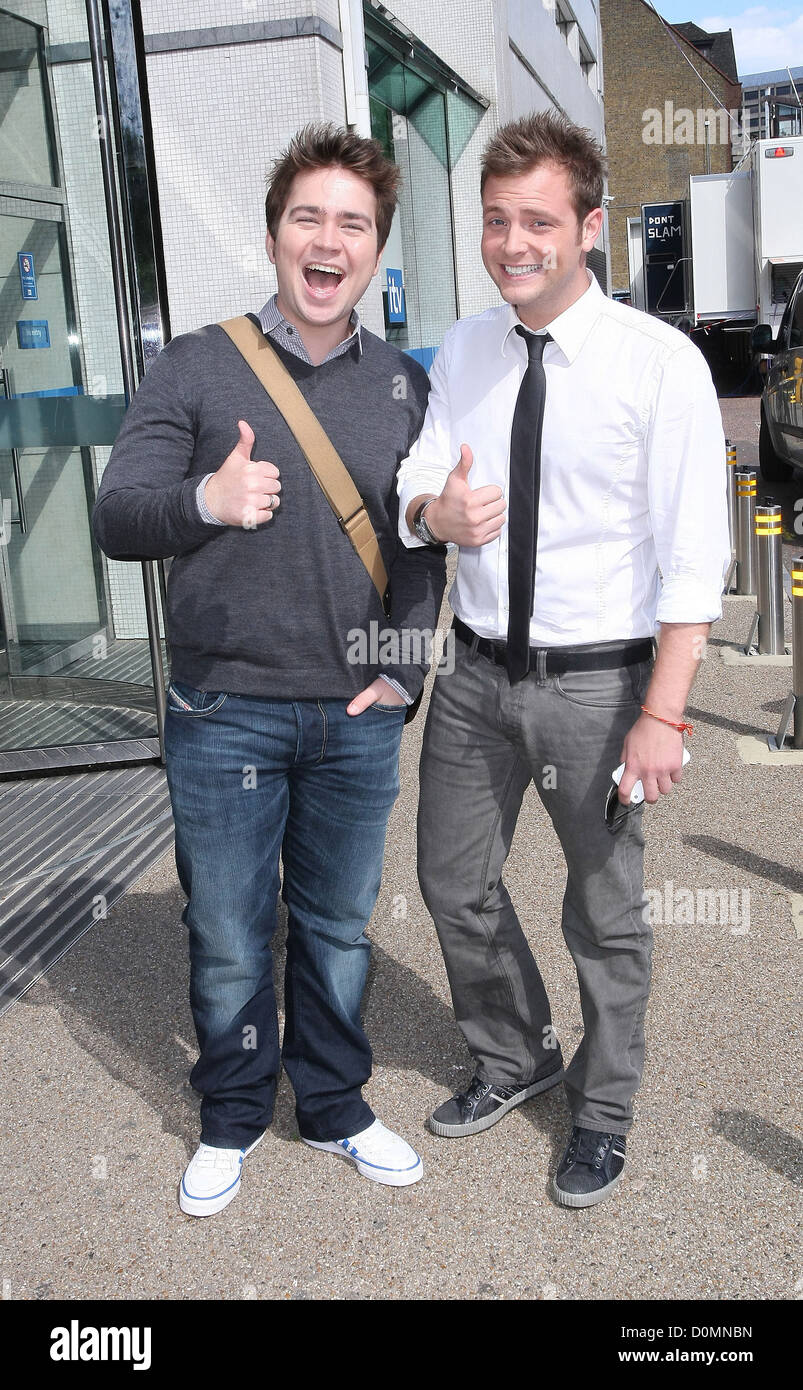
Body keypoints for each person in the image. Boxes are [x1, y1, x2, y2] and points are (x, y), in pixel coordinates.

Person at [93, 124, 446, 1216]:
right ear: (273, 235)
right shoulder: (195, 364)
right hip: (223, 710)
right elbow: (115, 513)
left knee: (339, 927)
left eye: (352, 223)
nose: (328, 240)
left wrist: (401, 680)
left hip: (355, 716)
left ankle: (334, 1102)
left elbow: (421, 548)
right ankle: (234, 1111)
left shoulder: (402, 385)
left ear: (377, 250)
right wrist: (204, 501)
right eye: (309, 217)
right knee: (229, 930)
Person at [397, 111, 730, 1208]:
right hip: (476, 675)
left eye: (536, 219)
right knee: (450, 880)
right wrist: (432, 509)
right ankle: (513, 1053)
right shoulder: (462, 348)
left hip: (601, 687)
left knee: (603, 911)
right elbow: (415, 471)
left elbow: (694, 558)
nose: (511, 242)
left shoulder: (657, 365)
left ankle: (602, 1110)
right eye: (494, 220)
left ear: (588, 226)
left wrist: (664, 714)